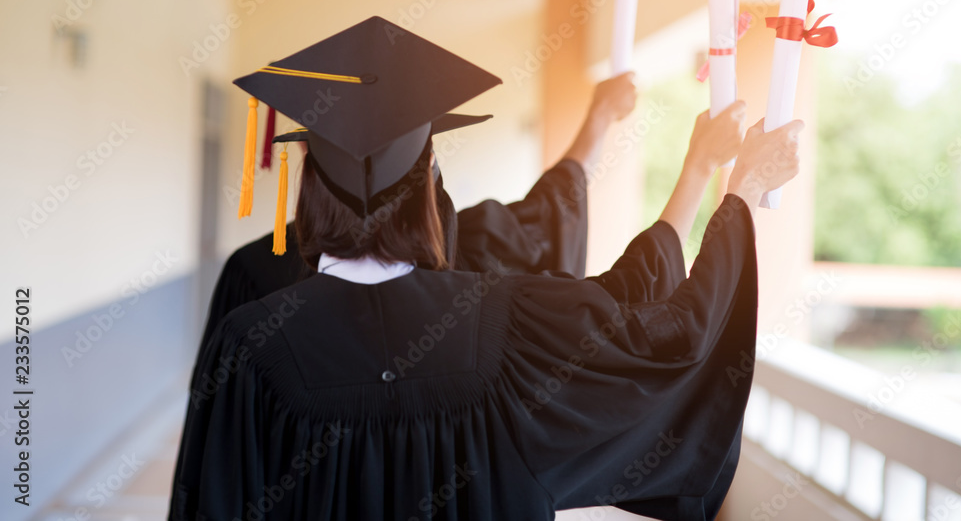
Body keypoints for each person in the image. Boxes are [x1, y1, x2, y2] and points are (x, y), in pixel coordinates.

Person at [170, 16, 800, 520]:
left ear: (308, 186)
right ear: (430, 192)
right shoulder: (509, 324)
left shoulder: (248, 345)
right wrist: (730, 187)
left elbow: (208, 500)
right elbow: (656, 332)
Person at [192, 72, 637, 374]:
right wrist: (598, 118)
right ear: (425, 165)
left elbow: (218, 439)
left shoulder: (251, 272)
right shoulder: (466, 251)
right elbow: (550, 211)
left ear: (308, 158)